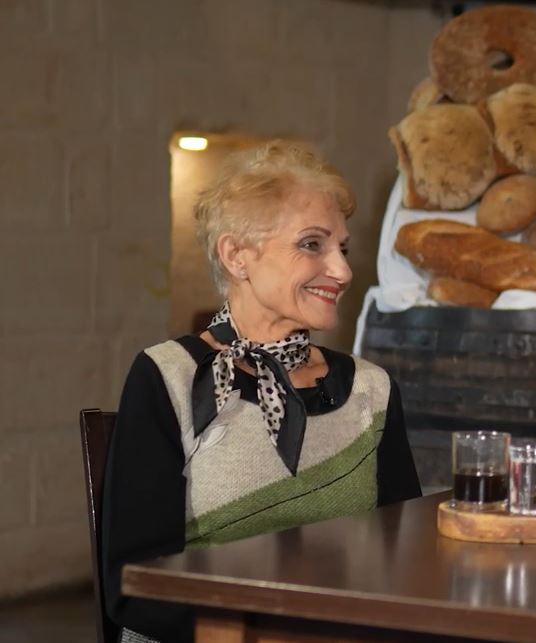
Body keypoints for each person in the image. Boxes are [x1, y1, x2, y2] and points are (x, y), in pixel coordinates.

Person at [101, 142, 422, 643]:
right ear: (237, 256)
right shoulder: (169, 376)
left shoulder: (372, 391)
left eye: (342, 248)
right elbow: (133, 585)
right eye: (313, 245)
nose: (342, 271)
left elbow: (402, 565)